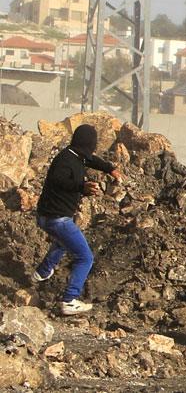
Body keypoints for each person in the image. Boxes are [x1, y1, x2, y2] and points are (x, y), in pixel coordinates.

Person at [33, 124, 123, 315]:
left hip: (48, 216)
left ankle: (41, 272)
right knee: (85, 257)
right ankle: (70, 300)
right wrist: (82, 186)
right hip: (56, 219)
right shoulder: (64, 162)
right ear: (89, 144)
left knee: (64, 241)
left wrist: (110, 169)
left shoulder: (74, 155)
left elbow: (92, 161)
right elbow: (59, 179)